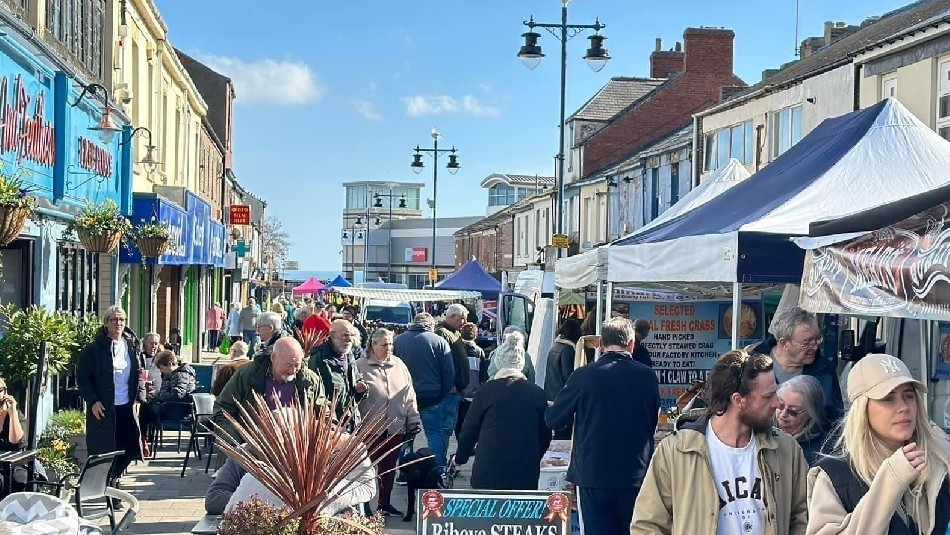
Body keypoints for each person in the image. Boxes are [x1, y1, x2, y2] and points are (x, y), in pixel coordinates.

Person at [631, 349, 809, 535]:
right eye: (768, 397)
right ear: (738, 400)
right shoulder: (677, 451)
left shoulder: (786, 450)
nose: (777, 404)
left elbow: (804, 517)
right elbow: (648, 524)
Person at [806, 354, 950, 535]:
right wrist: (891, 480)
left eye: (909, 396)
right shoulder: (834, 475)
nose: (903, 407)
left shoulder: (941, 461)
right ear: (862, 410)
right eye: (888, 398)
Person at [547, 317, 660, 534]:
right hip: (634, 473)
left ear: (600, 344)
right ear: (631, 344)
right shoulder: (647, 376)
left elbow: (554, 419)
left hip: (592, 473)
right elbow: (652, 421)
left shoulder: (583, 376)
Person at [455, 331, 551, 490]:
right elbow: (545, 434)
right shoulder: (537, 393)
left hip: (489, 469)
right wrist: (536, 456)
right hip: (524, 471)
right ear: (522, 364)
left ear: (498, 362)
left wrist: (461, 458)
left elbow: (469, 429)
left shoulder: (486, 391)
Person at [76, 305, 144, 491]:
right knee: (106, 450)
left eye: (121, 319)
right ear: (106, 323)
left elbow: (139, 375)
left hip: (126, 406)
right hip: (104, 407)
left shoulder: (131, 346)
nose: (118, 323)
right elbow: (82, 378)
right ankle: (108, 487)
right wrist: (93, 401)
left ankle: (113, 478)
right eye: (114, 320)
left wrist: (139, 398)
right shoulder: (93, 350)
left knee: (130, 446)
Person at [355, 328, 421, 517]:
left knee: (389, 469)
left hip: (394, 426)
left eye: (391, 344)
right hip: (370, 428)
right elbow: (351, 396)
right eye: (384, 345)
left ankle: (384, 504)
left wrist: (413, 419)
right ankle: (364, 505)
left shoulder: (399, 365)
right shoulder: (360, 365)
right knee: (365, 469)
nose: (389, 348)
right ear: (373, 345)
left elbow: (409, 394)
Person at [211, 337, 325, 442]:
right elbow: (222, 410)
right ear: (273, 358)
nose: (293, 370)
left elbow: (324, 412)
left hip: (298, 452)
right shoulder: (246, 375)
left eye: (297, 365)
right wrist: (237, 442)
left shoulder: (310, 380)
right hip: (251, 450)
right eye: (288, 365)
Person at [751, 306, 842, 421]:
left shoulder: (825, 370)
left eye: (817, 339)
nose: (814, 347)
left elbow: (835, 419)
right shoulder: (752, 367)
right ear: (784, 343)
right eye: (806, 342)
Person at [393, 312, 454, 468]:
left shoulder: (398, 341)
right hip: (431, 396)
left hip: (404, 396)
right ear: (431, 325)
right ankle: (437, 468)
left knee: (406, 436)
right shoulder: (439, 341)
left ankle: (404, 471)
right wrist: (442, 393)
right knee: (434, 435)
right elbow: (449, 372)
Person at [308, 319, 367, 422]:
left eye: (351, 335)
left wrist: (360, 389)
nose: (349, 339)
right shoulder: (319, 359)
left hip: (351, 421)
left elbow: (355, 382)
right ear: (333, 335)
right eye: (345, 335)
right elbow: (314, 395)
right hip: (330, 424)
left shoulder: (349, 355)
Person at [433, 303, 471, 438]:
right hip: (449, 391)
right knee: (444, 428)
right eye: (462, 318)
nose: (464, 322)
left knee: (448, 428)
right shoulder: (442, 333)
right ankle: (440, 459)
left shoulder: (454, 333)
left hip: (456, 390)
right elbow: (441, 362)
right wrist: (450, 385)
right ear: (452, 317)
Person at [542, 319, 582, 440]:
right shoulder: (568, 349)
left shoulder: (555, 346)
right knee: (564, 434)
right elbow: (568, 374)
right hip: (561, 395)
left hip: (550, 393)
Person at [776, 374, 828, 466]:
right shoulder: (760, 430)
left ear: (811, 414)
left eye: (793, 411)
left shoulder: (820, 452)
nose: (783, 415)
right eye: (780, 405)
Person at [454, 322, 487, 440]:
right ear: (475, 335)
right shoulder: (479, 352)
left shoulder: (456, 349)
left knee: (458, 421)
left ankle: (460, 442)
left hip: (458, 390)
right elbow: (483, 374)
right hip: (473, 392)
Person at [0, 377, 26, 495]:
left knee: (20, 480)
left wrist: (12, 412)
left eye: (0, 390)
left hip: (15, 464)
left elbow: (15, 440)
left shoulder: (16, 415)